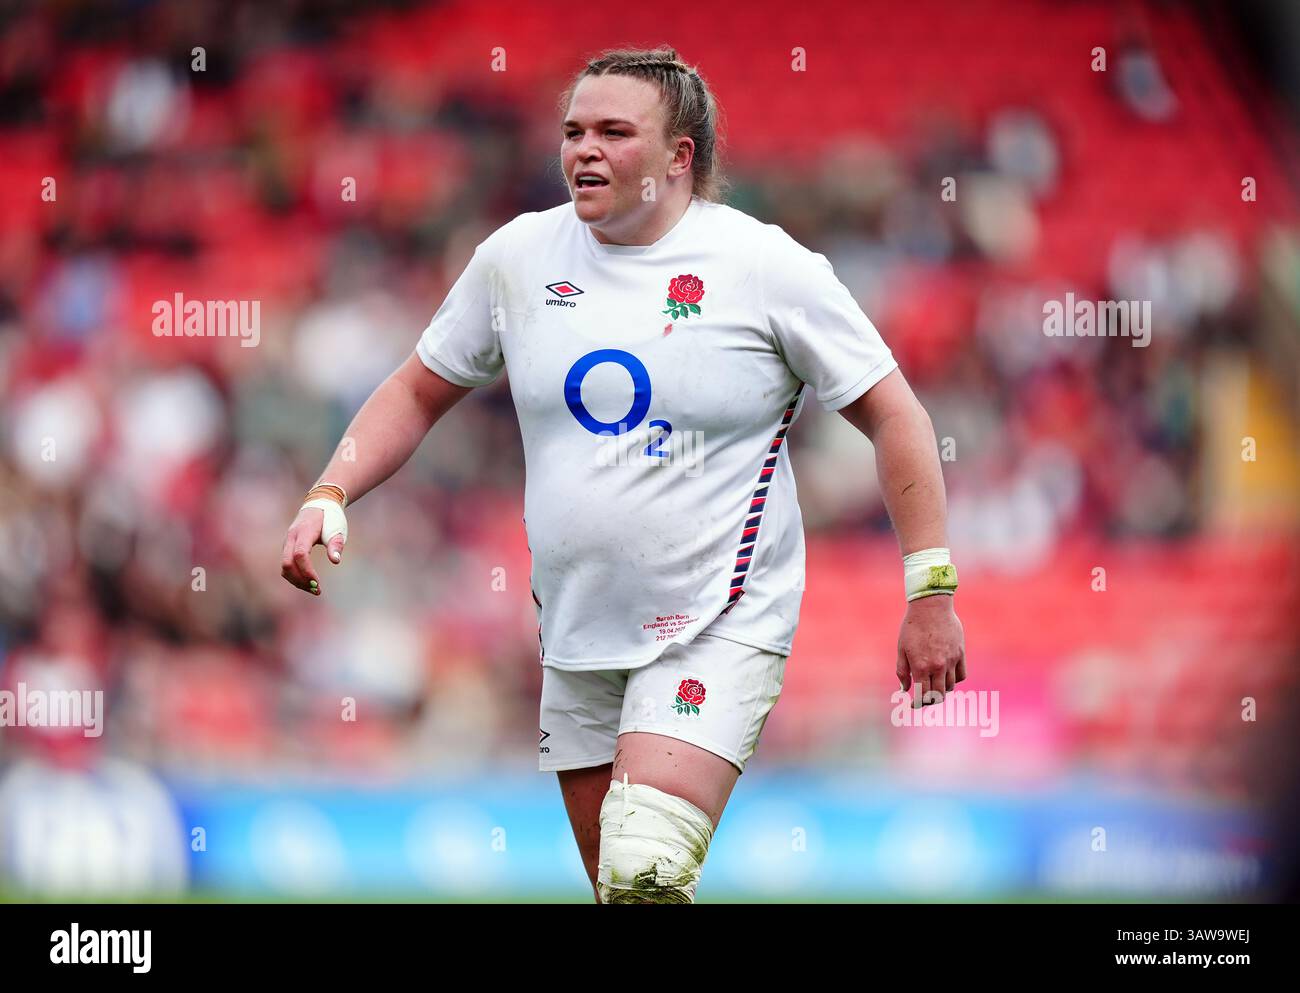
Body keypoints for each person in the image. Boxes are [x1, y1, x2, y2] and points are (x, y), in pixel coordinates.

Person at [280, 46, 966, 904]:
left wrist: (930, 588)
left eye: (613, 132)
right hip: (577, 632)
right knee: (624, 894)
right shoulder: (517, 258)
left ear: (680, 156)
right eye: (573, 132)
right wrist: (329, 489)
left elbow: (897, 415)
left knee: (643, 867)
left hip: (720, 618)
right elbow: (418, 391)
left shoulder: (765, 267)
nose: (584, 151)